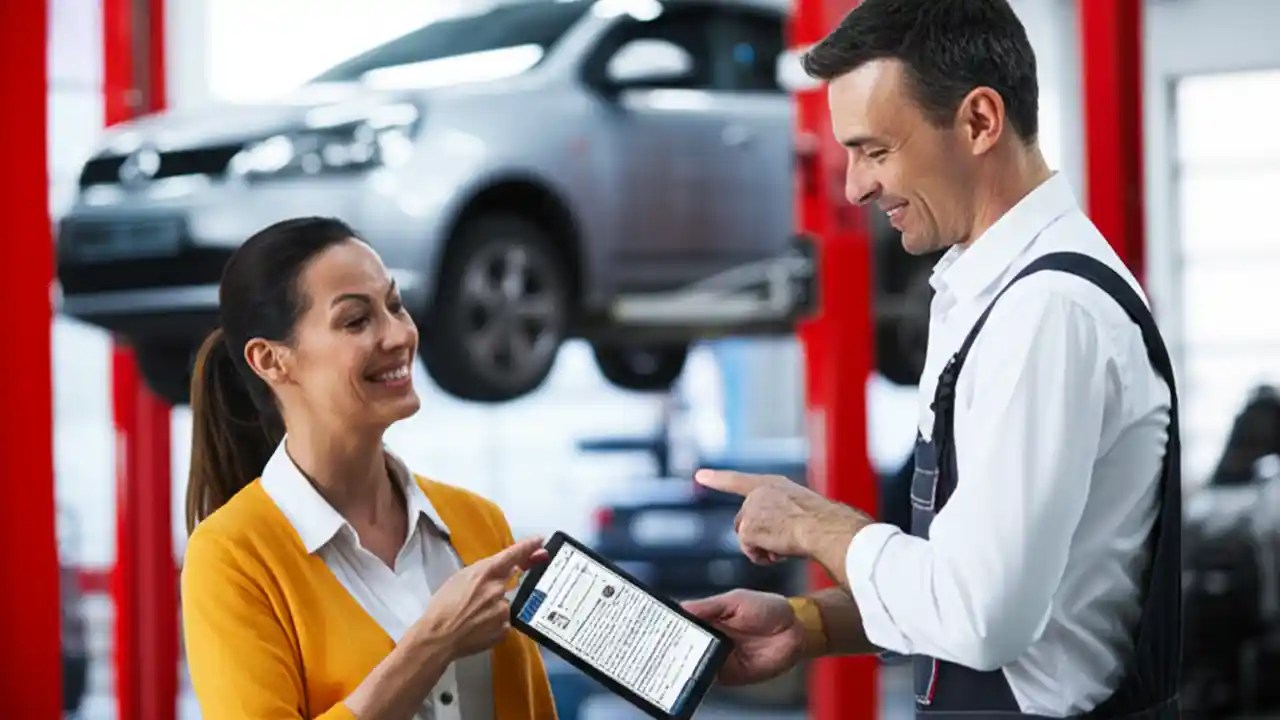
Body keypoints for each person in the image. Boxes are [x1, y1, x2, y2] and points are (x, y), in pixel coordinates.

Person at [685, 0, 1181, 717]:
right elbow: (972, 583)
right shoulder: (985, 291)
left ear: (980, 121)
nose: (854, 186)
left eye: (875, 151)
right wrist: (809, 626)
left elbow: (983, 618)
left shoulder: (1048, 311)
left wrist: (812, 523)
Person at [180, 217, 557, 720]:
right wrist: (433, 643)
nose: (400, 334)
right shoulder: (232, 558)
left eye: (395, 305)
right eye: (357, 321)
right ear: (271, 361)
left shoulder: (477, 521)